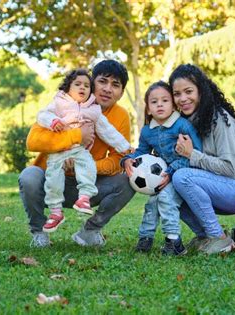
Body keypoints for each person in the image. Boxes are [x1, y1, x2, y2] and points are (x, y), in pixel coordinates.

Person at [19, 60, 135, 248]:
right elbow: (33, 141)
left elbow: (117, 159)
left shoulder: (121, 116)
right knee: (29, 176)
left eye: (115, 85)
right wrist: (76, 136)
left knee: (128, 180)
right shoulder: (63, 103)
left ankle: (89, 232)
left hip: (88, 184)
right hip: (52, 178)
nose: (107, 89)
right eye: (102, 81)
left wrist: (84, 166)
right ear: (91, 83)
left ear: (121, 93)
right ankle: (39, 232)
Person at [169, 64, 235, 255]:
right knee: (167, 188)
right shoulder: (188, 123)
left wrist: (192, 155)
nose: (182, 99)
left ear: (201, 91)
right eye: (177, 94)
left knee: (182, 177)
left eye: (189, 91)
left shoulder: (219, 119)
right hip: (218, 187)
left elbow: (230, 168)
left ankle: (218, 238)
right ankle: (205, 235)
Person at [121, 81, 202, 256]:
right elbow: (142, 151)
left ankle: (174, 242)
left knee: (165, 198)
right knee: (151, 204)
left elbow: (196, 153)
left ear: (173, 105)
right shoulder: (147, 131)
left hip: (183, 173)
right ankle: (145, 239)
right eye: (154, 102)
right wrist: (127, 160)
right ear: (148, 109)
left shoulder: (182, 125)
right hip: (161, 176)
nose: (159, 105)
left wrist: (173, 170)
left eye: (165, 100)